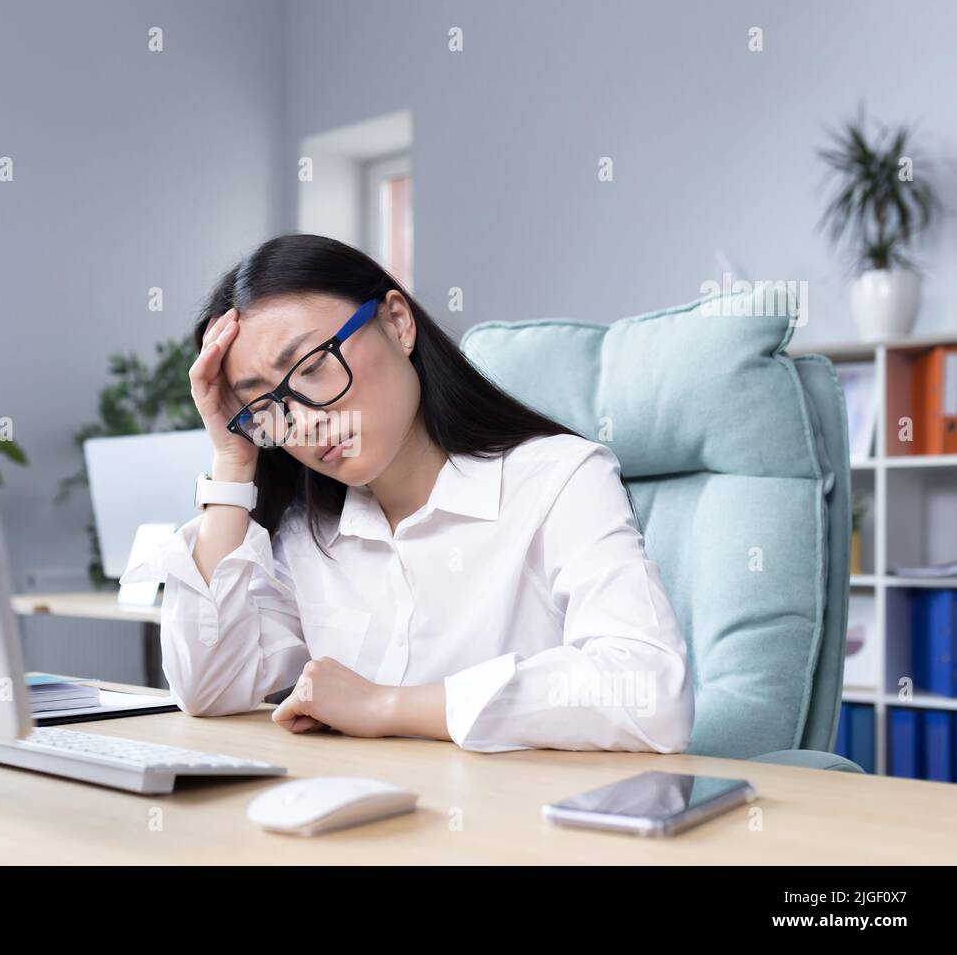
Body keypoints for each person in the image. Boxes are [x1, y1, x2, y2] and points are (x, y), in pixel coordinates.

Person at [120, 234, 694, 753]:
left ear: (397, 322)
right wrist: (230, 458)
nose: (302, 422)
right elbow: (208, 689)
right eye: (266, 405)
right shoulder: (306, 531)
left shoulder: (559, 480)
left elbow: (651, 693)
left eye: (314, 366)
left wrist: (386, 706)